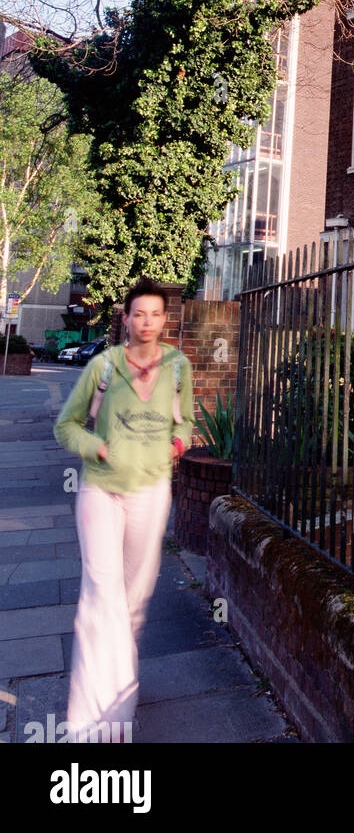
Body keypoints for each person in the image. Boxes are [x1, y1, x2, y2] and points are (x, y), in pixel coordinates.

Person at [54, 277, 195, 742]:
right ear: (126, 318)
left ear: (164, 319)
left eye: (156, 314)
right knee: (101, 597)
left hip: (151, 493)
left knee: (132, 605)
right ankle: (93, 725)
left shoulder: (179, 368)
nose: (147, 322)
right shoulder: (104, 366)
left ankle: (120, 681)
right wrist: (96, 449)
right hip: (100, 492)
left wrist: (177, 443)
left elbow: (189, 421)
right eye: (139, 313)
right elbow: (67, 425)